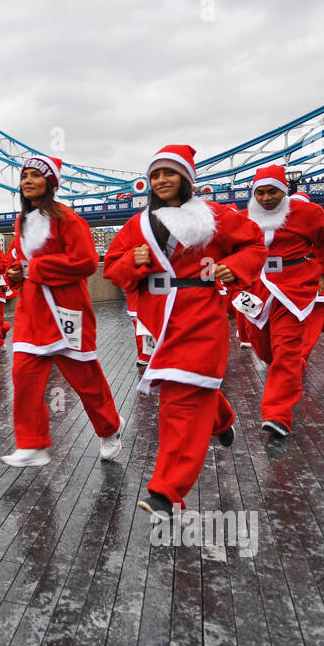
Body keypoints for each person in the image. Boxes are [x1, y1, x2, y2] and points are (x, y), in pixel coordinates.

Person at [103, 145, 265, 515]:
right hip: (160, 319)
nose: (161, 180)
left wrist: (233, 265)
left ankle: (166, 491)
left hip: (202, 314)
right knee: (193, 385)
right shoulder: (136, 225)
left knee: (181, 399)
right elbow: (112, 269)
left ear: (187, 179)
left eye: (170, 173)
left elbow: (254, 243)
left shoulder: (216, 217)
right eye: (155, 174)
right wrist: (135, 259)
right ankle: (222, 419)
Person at [0, 155, 122, 467]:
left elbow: (85, 261)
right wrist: (14, 273)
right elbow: (18, 262)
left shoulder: (68, 220)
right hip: (32, 312)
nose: (27, 181)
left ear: (50, 183)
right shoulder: (22, 222)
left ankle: (110, 427)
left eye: (35, 176)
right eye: (24, 176)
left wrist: (35, 268)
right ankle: (32, 444)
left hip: (67, 311)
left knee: (86, 381)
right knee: (24, 375)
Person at [239, 165, 324, 436]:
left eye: (272, 191)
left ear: (284, 190)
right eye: (259, 193)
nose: (266, 198)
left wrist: (321, 271)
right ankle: (294, 366)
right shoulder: (244, 218)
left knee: (286, 352)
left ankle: (277, 415)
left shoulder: (308, 213)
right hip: (258, 290)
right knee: (264, 351)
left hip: (293, 288)